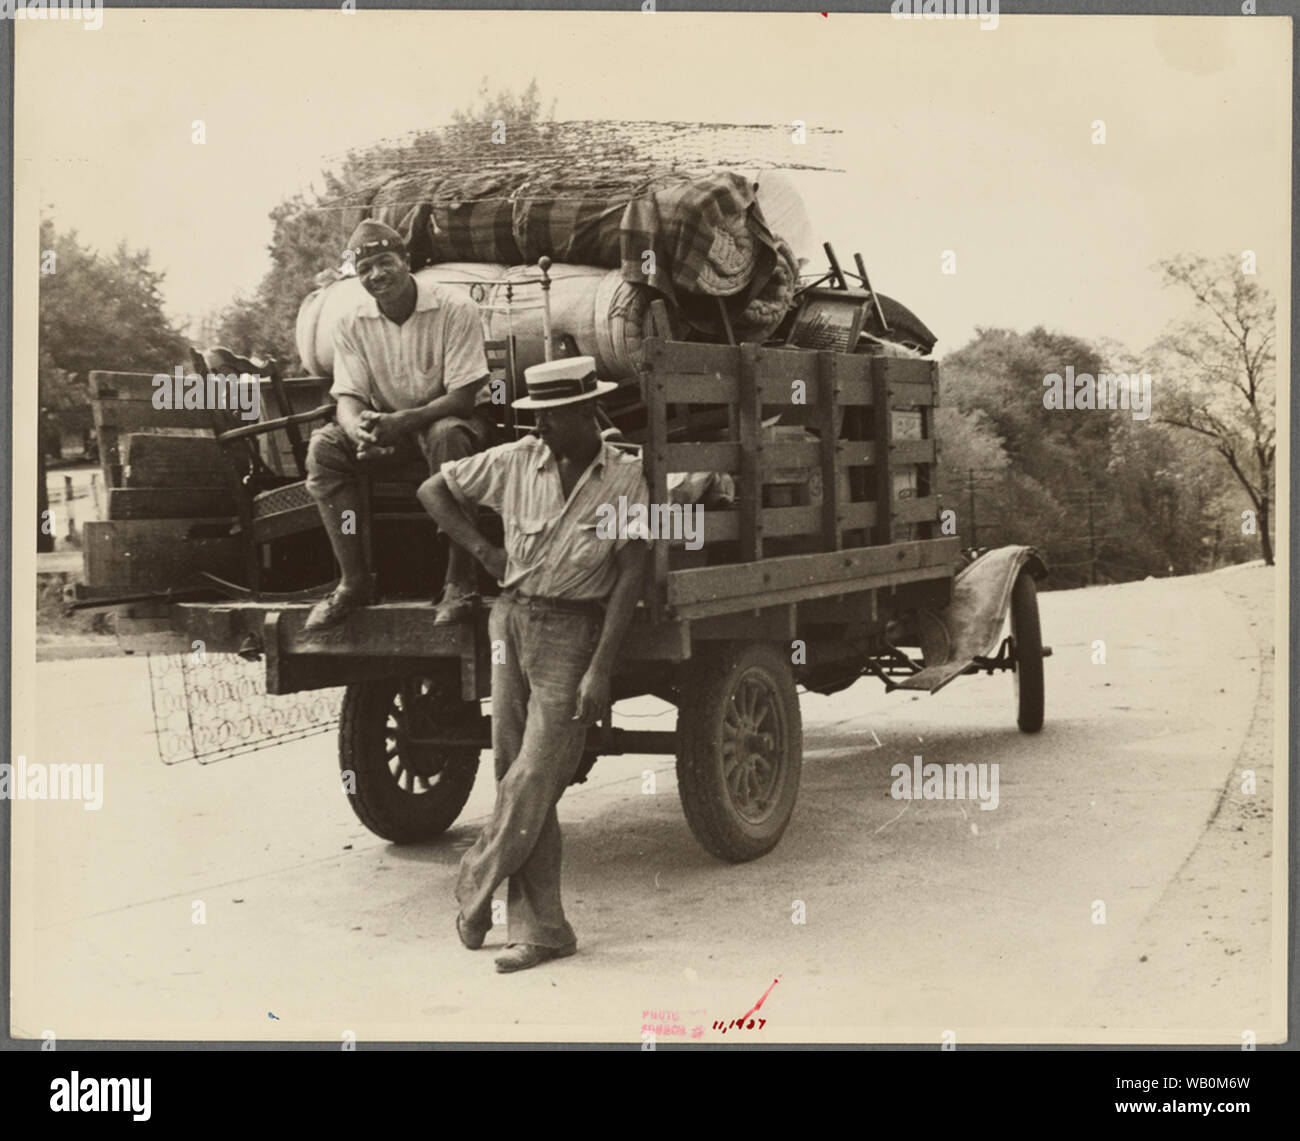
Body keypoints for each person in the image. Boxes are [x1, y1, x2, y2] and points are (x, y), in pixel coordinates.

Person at [420, 356, 653, 973]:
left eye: (549, 418)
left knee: (536, 772)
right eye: (535, 418)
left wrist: (601, 668)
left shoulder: (626, 475)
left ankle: (474, 883)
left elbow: (631, 571)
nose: (539, 429)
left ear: (585, 413)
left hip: (573, 630)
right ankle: (544, 930)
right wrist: (483, 553)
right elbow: (434, 489)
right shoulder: (517, 460)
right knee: (516, 772)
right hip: (510, 620)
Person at [303, 219, 496, 631]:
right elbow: (348, 397)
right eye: (366, 267)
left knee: (448, 437)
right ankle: (354, 581)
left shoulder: (454, 306)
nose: (377, 274)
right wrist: (359, 430)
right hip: (394, 428)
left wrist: (402, 421)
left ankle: (459, 581)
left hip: (454, 422)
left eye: (385, 261)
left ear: (406, 261)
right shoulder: (350, 319)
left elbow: (463, 398)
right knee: (324, 449)